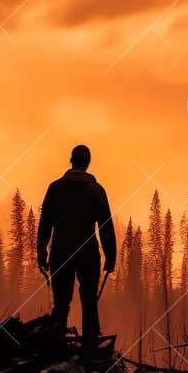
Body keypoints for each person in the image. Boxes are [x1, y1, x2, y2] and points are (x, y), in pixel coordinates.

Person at [37, 145, 117, 351]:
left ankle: (55, 344)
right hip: (87, 253)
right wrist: (110, 256)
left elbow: (45, 223)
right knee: (89, 301)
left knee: (61, 303)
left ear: (70, 161)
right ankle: (90, 345)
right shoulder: (96, 191)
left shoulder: (55, 189)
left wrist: (41, 252)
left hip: (60, 252)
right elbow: (105, 225)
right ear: (87, 163)